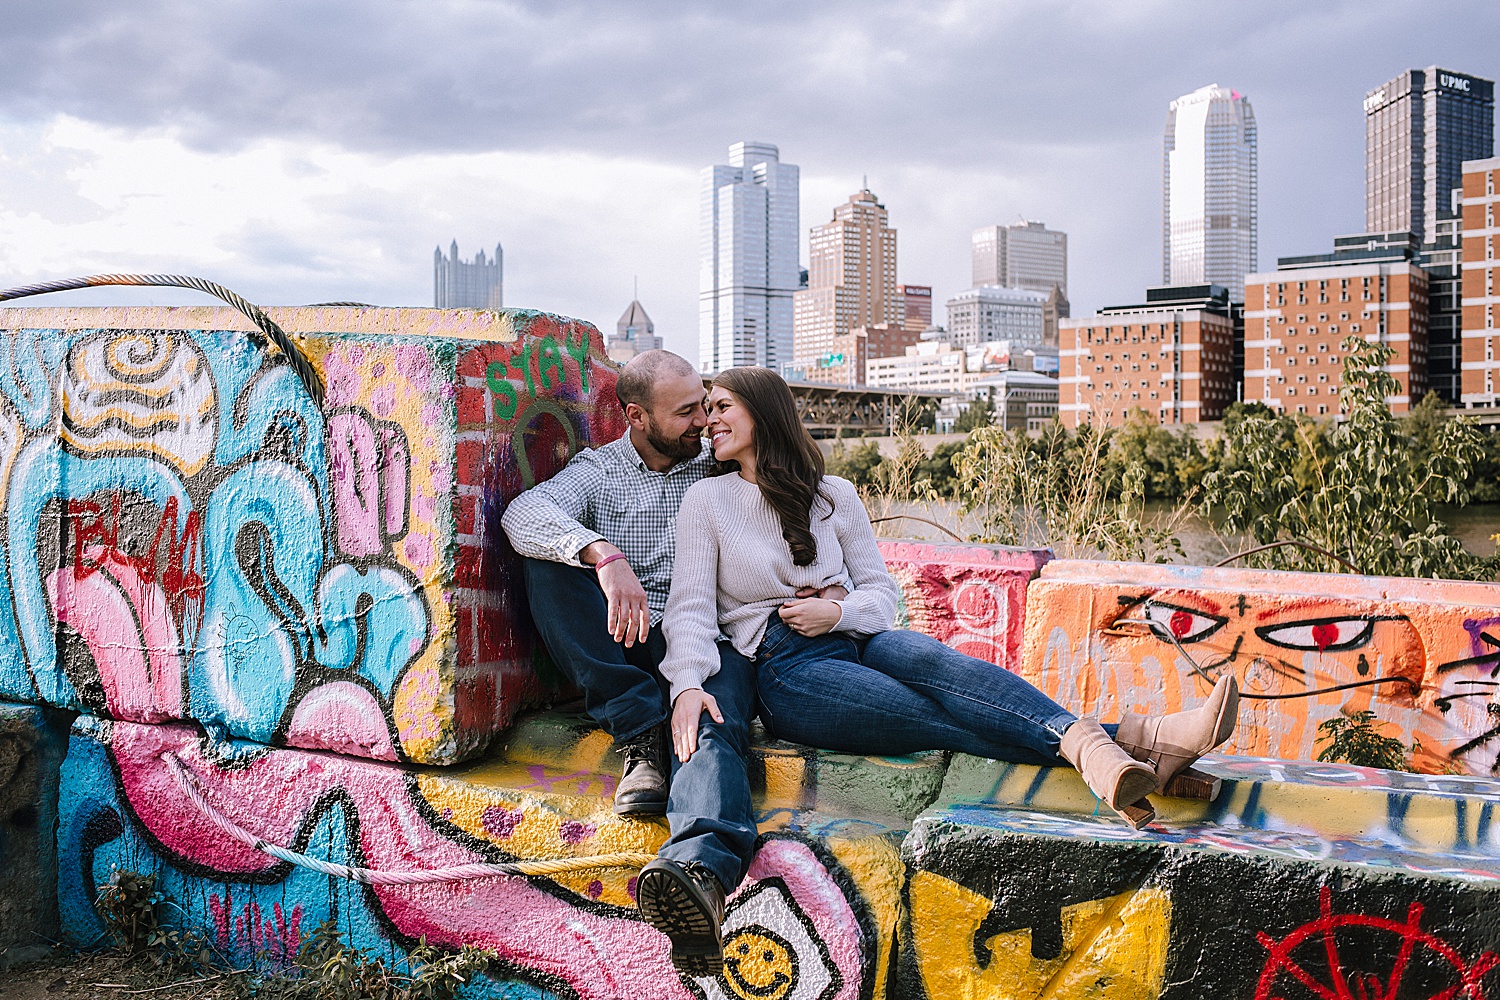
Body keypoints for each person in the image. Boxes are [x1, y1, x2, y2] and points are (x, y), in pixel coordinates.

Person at [660, 366, 1241, 963]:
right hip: (787, 666)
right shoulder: (708, 499)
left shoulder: (834, 494)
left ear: (764, 412)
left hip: (860, 636)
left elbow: (883, 596)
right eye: (704, 409)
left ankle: (1119, 748)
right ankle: (1139, 741)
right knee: (936, 717)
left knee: (936, 662)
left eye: (722, 405)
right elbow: (691, 609)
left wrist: (836, 614)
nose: (709, 420)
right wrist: (686, 683)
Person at [501, 351, 842, 978]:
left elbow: (798, 510)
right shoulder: (599, 474)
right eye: (686, 412)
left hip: (702, 635)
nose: (702, 423)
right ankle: (641, 742)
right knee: (546, 562)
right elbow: (521, 515)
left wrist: (828, 593)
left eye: (705, 406)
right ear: (637, 416)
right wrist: (601, 554)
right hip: (622, 636)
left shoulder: (715, 469)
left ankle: (698, 875)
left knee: (713, 716)